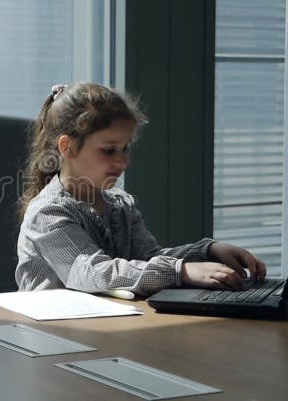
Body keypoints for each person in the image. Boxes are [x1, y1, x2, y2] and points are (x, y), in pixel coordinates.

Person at [16, 82, 266, 296]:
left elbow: (147, 259)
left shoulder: (118, 206)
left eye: (126, 149)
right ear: (68, 147)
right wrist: (181, 271)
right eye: (109, 150)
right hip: (53, 336)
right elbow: (91, 273)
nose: (123, 161)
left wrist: (207, 251)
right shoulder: (47, 213)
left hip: (107, 327)